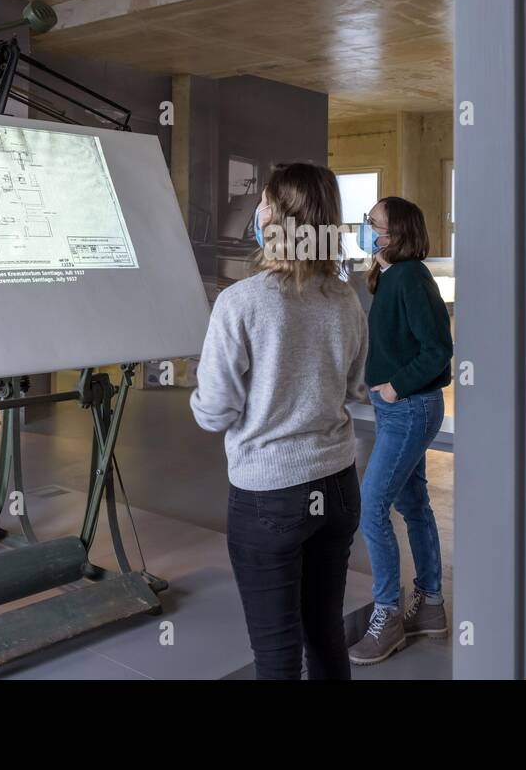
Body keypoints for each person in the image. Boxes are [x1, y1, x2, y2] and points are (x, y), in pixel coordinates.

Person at [190, 162, 368, 680]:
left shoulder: (239, 302)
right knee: (325, 631)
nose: (257, 211)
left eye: (263, 203)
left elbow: (215, 412)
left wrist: (205, 397)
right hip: (337, 485)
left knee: (276, 652)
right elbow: (355, 385)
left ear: (276, 218)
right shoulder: (345, 299)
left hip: (270, 493)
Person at [348, 196, 452, 665]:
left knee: (371, 507)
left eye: (374, 224)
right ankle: (430, 605)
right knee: (413, 505)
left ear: (398, 233)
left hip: (410, 409)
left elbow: (438, 349)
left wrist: (394, 387)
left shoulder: (412, 277)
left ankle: (388, 615)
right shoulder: (390, 275)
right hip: (398, 409)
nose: (367, 230)